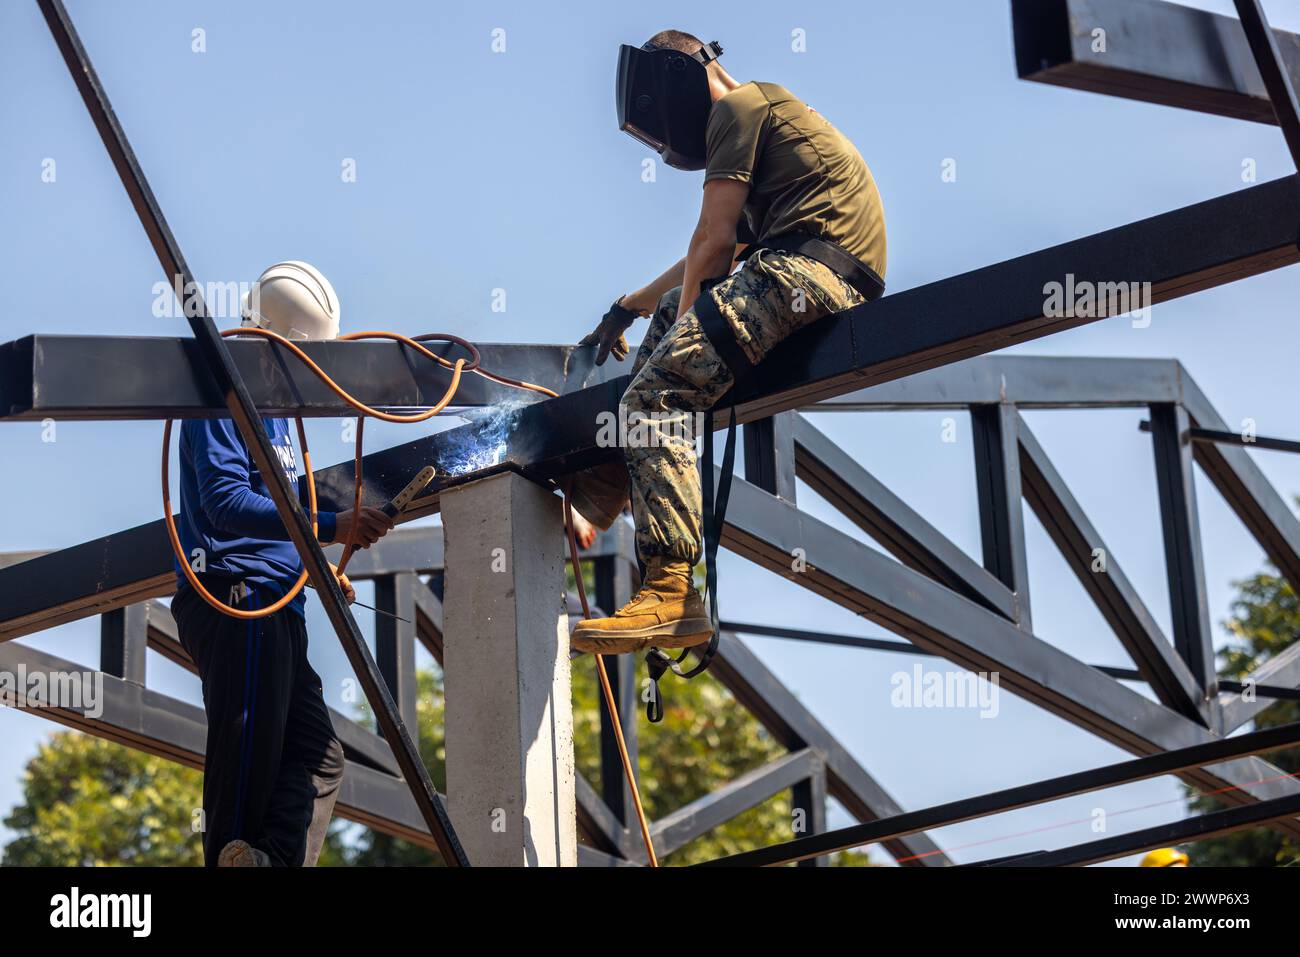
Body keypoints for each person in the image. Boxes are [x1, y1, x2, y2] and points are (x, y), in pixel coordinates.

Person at [570, 30, 887, 654]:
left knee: (656, 401)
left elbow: (714, 245)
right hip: (813, 266)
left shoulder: (738, 109)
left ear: (677, 81)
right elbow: (714, 246)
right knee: (668, 319)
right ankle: (605, 483)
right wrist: (628, 307)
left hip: (807, 272)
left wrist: (670, 353)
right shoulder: (766, 118)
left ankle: (670, 592)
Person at [171, 261, 394, 866]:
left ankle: (264, 862)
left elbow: (281, 512)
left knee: (319, 756)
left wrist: (320, 566)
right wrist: (332, 526)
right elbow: (224, 503)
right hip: (236, 595)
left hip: (276, 602)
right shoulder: (224, 396)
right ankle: (235, 855)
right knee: (246, 761)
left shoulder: (273, 412)